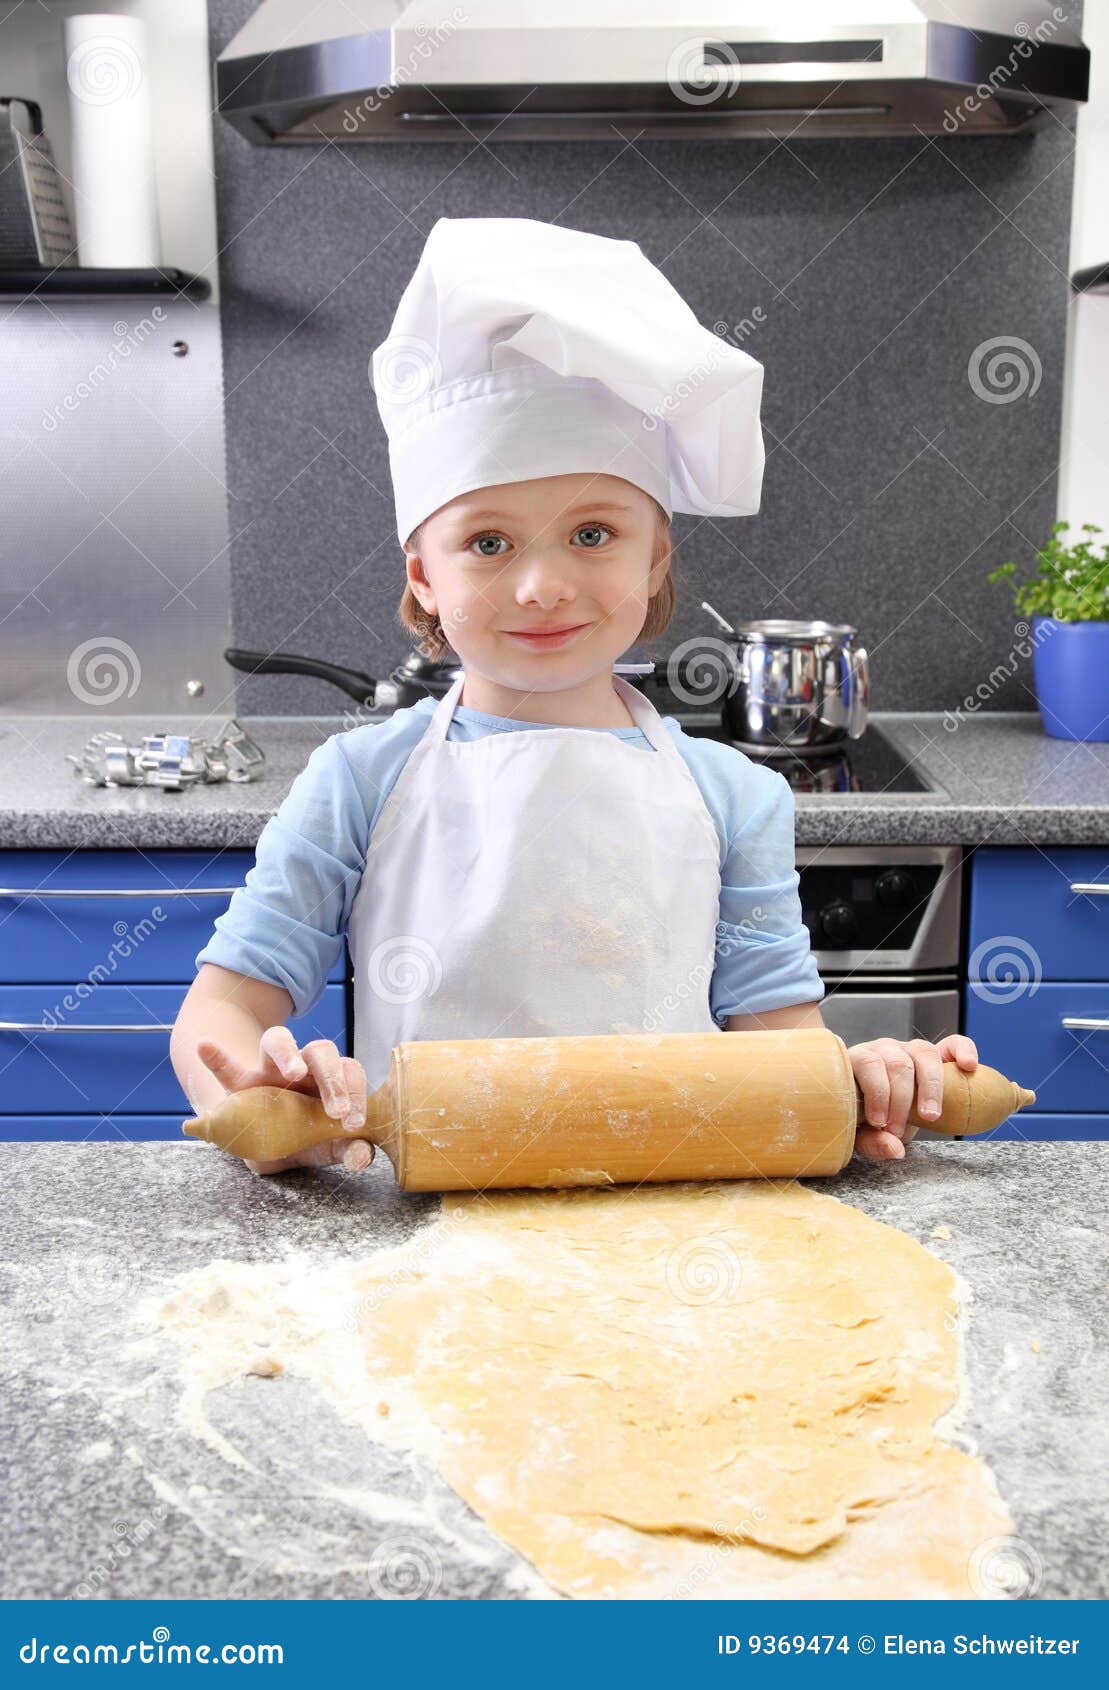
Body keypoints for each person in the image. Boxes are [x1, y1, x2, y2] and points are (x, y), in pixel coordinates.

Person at [170, 217, 976, 1175]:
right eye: (488, 542)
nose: (541, 585)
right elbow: (221, 1012)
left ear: (655, 557)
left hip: (677, 1226)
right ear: (423, 574)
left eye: (592, 534)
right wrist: (258, 1082)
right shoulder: (359, 780)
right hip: (435, 1229)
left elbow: (783, 1052)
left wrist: (867, 1077)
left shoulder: (733, 796)